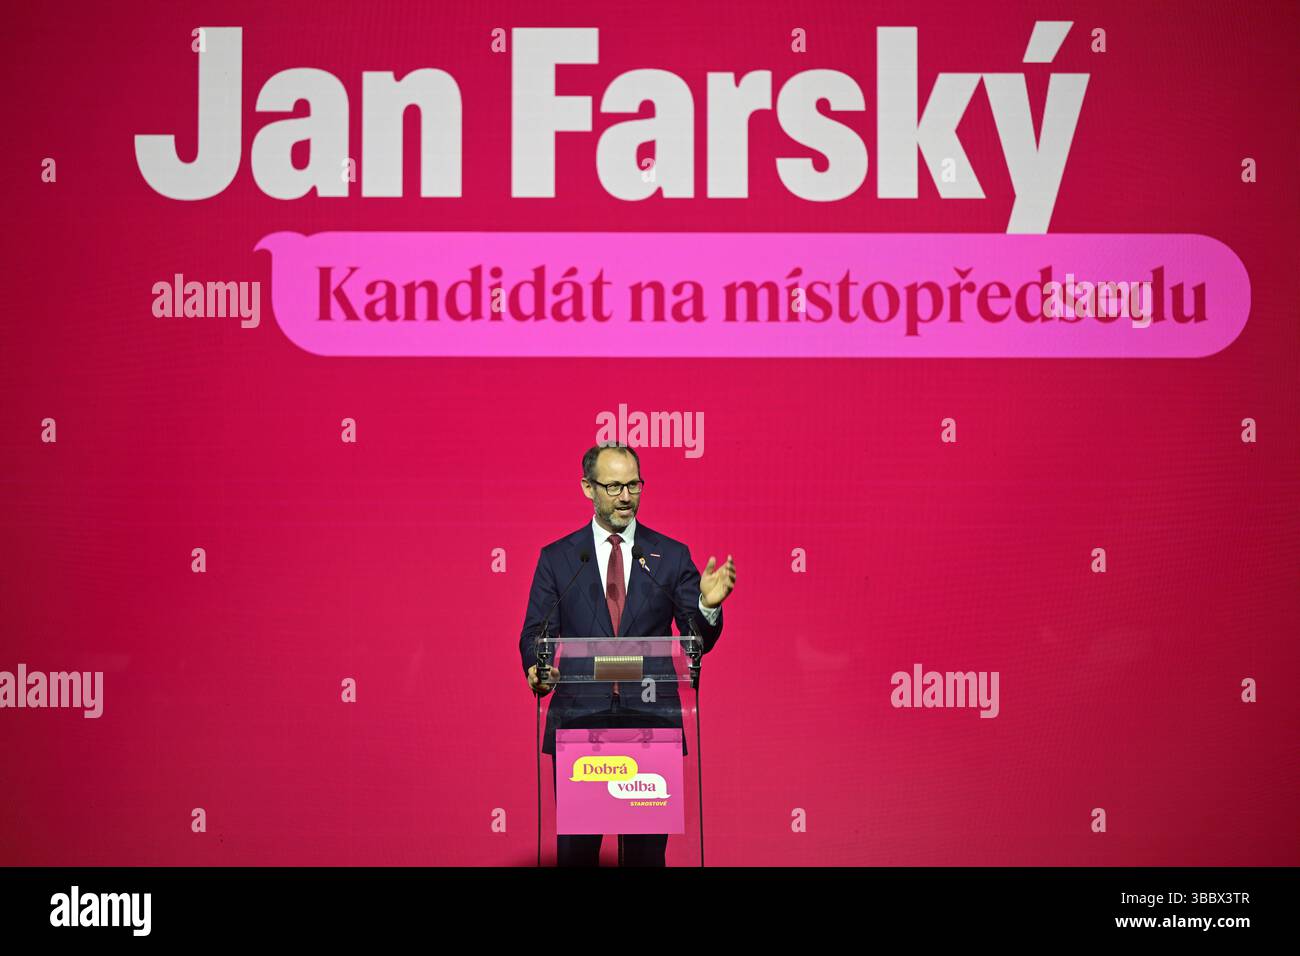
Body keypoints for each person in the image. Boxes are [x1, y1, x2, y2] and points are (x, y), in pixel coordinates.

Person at [519, 443, 736, 866]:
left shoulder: (669, 557)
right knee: (579, 857)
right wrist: (536, 668)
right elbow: (535, 634)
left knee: (645, 857)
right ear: (588, 488)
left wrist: (708, 606)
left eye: (633, 484)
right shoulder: (560, 559)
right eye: (614, 485)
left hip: (650, 724)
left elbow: (697, 638)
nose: (625, 496)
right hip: (581, 726)